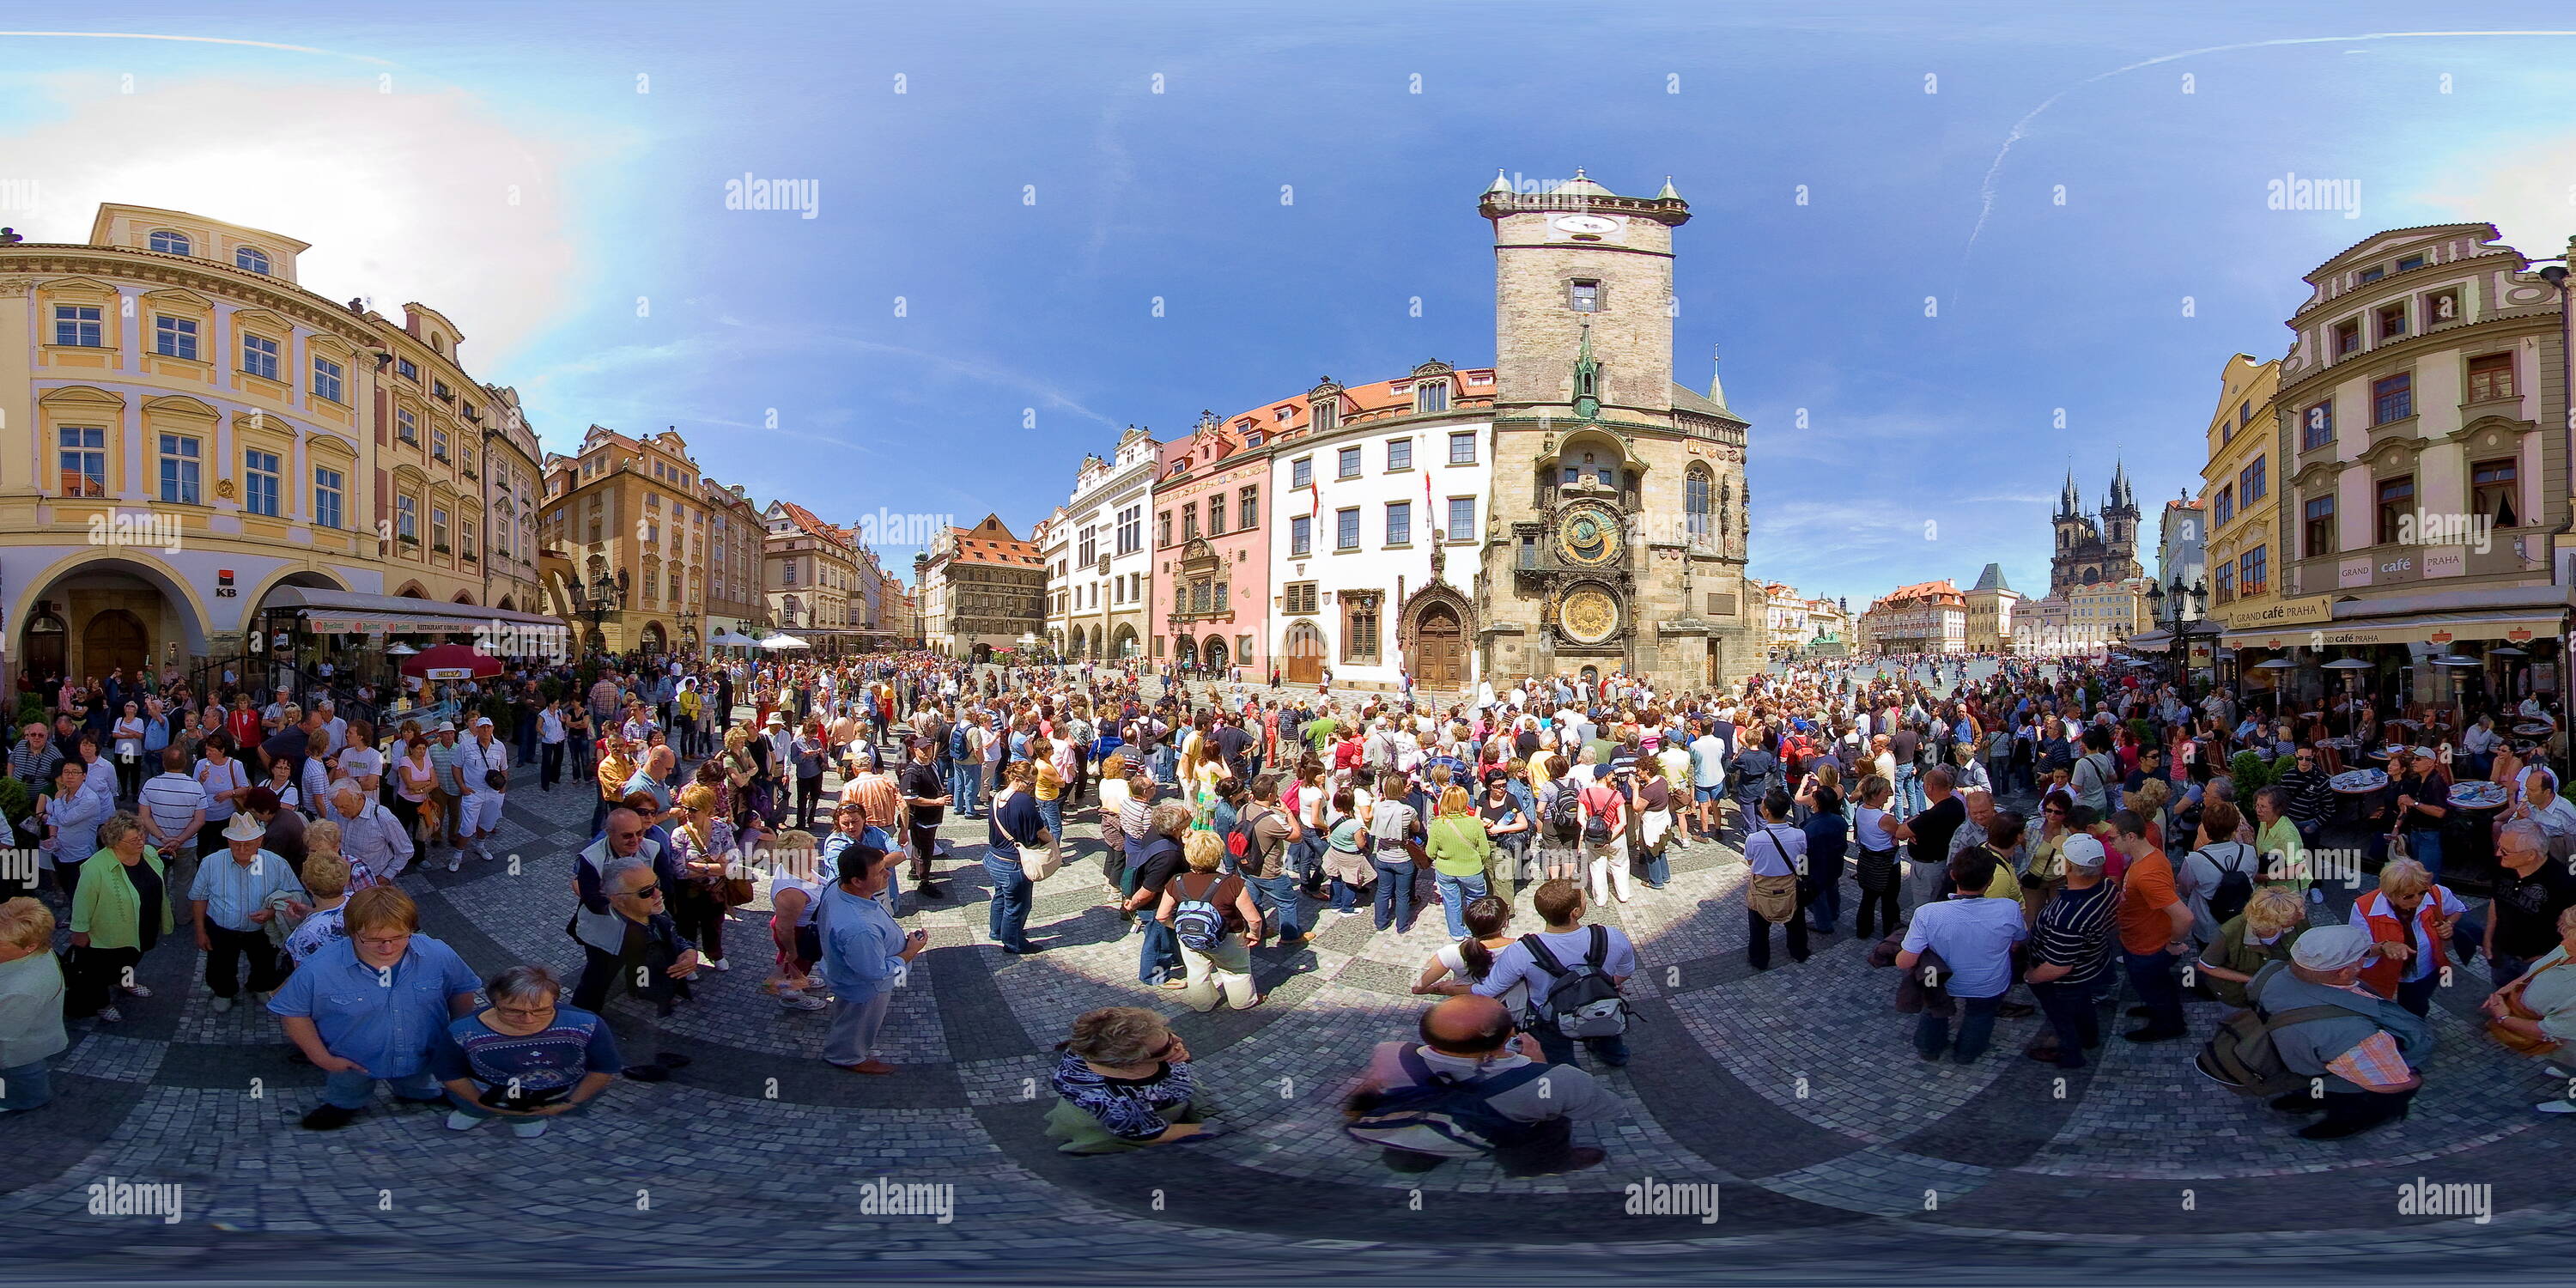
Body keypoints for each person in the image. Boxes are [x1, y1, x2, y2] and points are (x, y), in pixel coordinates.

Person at [270, 885, 480, 1130]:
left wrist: (458, 1039)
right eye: (373, 939)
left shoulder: (438, 954)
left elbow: (461, 989)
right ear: (351, 931)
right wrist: (323, 1059)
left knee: (418, 1080)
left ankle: (418, 1093)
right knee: (347, 1088)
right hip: (349, 1061)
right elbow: (295, 1014)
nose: (388, 948)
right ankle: (344, 1104)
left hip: (422, 1053)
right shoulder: (318, 969)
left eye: (399, 937)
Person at [1346, 993, 1619, 1177]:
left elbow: (1366, 1094)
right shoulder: (1559, 1079)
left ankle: (1415, 1159)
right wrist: (1539, 1066)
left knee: (1414, 1136)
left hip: (1418, 1129)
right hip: (1506, 1137)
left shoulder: (1391, 1052)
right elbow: (1607, 1107)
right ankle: (1540, 1165)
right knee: (1548, 1125)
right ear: (1509, 1036)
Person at [2251, 922, 2430, 1139]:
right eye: (2361, 956)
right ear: (2345, 972)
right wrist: (2413, 1081)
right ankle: (2341, 1127)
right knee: (2351, 1108)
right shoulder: (2354, 1035)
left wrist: (2381, 947)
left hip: (2296, 1055)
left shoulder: (2269, 973)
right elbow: (2389, 1082)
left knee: (2315, 1088)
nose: (2365, 958)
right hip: (2337, 1078)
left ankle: (2303, 1100)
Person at [435, 964, 619, 1139]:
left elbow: (603, 1068)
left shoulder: (588, 1024)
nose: (528, 1020)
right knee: (472, 1107)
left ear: (555, 1000)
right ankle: (474, 1111)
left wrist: (568, 1103)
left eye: (541, 1010)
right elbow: (450, 1073)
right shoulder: (461, 1031)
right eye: (513, 1011)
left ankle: (527, 1117)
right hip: (487, 1091)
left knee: (528, 1127)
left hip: (552, 1094)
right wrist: (477, 1102)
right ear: (494, 1002)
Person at [1473, 879, 1634, 1068]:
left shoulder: (1521, 951)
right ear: (1575, 912)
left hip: (1550, 1017)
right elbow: (1626, 970)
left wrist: (1449, 988)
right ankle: (1615, 1057)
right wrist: (1606, 984)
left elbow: (1489, 990)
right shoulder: (1612, 936)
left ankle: (1568, 1074)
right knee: (1607, 1035)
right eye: (1583, 898)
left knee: (1558, 1057)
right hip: (1600, 1005)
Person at [573, 854, 701, 1083]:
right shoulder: (619, 939)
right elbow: (625, 996)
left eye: (657, 884)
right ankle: (641, 1063)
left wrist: (689, 951)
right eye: (646, 892)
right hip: (637, 997)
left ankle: (650, 1055)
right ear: (617, 899)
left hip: (655, 991)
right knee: (639, 1024)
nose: (657, 894)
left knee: (648, 1022)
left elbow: (672, 933)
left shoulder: (648, 911)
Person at [1899, 848, 2028, 1065]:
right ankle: (1967, 1053)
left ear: (1953, 875)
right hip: (1988, 982)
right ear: (1991, 879)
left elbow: (1906, 961)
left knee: (1934, 1011)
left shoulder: (1928, 913)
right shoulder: (2009, 908)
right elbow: (2017, 942)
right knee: (1981, 1015)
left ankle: (1929, 1048)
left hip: (1941, 981)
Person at [1043, 1005, 1216, 1153]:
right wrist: (1217, 1129)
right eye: (1165, 1047)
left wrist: (1171, 1051)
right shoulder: (1118, 1102)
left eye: (1169, 1033)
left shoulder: (1094, 1047)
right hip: (1136, 1122)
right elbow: (1152, 1134)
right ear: (1130, 1062)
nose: (1179, 1041)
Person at [819, 837, 927, 1074]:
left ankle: (844, 1043)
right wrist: (910, 951)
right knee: (860, 1020)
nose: (888, 874)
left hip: (845, 976)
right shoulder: (859, 928)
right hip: (866, 988)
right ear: (857, 881)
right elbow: (873, 972)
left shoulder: (839, 886)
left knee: (847, 1014)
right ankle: (848, 1057)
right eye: (880, 872)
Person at [191, 811, 306, 1012]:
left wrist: (272, 911)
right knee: (220, 965)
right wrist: (200, 931)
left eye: (248, 844)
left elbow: (295, 892)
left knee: (265, 963)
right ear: (227, 840)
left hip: (262, 929)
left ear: (260, 840)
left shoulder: (276, 863)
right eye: (236, 844)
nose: (242, 849)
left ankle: (260, 987)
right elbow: (199, 897)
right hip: (222, 928)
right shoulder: (211, 863)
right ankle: (223, 992)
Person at [67, 813, 171, 1023]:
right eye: (134, 840)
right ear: (115, 842)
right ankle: (102, 1002)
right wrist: (79, 931)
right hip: (110, 931)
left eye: (142, 835)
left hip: (145, 923)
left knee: (133, 956)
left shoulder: (149, 853)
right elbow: (82, 902)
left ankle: (125, 981)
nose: (142, 841)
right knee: (99, 971)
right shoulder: (95, 868)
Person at [2023, 834, 2114, 1067]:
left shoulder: (2068, 916)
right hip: (2091, 965)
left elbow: (2059, 966)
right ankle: (2089, 1039)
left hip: (2063, 980)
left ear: (2070, 867)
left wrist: (2031, 976)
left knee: (2062, 1018)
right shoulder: (2107, 887)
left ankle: (2070, 1056)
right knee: (2083, 1005)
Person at [2459, 819, 2576, 992]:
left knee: (2526, 1004)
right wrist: (2488, 937)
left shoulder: (2562, 884)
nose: (2498, 854)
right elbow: (2496, 901)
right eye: (2499, 846)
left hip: (2535, 963)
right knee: (2498, 991)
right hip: (2502, 953)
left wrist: (2545, 960)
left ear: (2530, 855)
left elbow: (2571, 929)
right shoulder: (2504, 866)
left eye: (2505, 851)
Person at [2108, 807, 2191, 1042]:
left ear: (2131, 837)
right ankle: (2160, 1010)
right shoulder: (2149, 855)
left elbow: (2185, 917)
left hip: (2148, 945)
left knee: (2153, 986)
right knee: (2157, 985)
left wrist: (2174, 943)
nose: (2110, 842)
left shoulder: (2147, 874)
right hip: (2141, 938)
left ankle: (2168, 1024)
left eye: (2113, 838)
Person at [1157, 831, 1264, 1012]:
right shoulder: (1233, 883)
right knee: (1236, 971)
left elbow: (1161, 916)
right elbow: (1254, 919)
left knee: (1197, 973)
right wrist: (1254, 934)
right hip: (1229, 936)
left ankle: (1203, 1004)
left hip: (1190, 937)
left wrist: (1176, 928)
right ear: (1219, 855)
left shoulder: (1177, 882)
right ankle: (1242, 1002)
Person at [2348, 858, 2465, 1018]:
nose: (2418, 899)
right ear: (2389, 894)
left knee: (2416, 1009)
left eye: (2422, 892)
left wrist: (2449, 924)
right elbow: (2358, 950)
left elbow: (2457, 909)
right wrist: (2383, 947)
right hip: (2381, 977)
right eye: (2408, 896)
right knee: (2382, 1015)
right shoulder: (2364, 908)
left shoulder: (2437, 893)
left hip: (2425, 971)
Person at [0, 897, 69, 1114]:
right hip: (27, 1033)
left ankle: (27, 1101)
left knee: (24, 1074)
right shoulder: (35, 946)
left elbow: (5, 1032)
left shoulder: (24, 988)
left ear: (30, 946)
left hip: (19, 1046)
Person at [2195, 885, 2309, 1008]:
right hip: (2242, 996)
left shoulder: (2299, 920)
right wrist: (2254, 980)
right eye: (2295, 915)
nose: (2302, 915)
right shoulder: (2231, 933)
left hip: (2282, 990)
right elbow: (2206, 966)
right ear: (2273, 922)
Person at [1743, 789, 1811, 969]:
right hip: (1790, 885)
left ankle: (1759, 959)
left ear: (1766, 812)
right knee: (1796, 924)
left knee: (1758, 928)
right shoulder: (1799, 835)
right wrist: (1802, 875)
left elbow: (1750, 861)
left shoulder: (1754, 839)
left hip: (1762, 888)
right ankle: (1799, 951)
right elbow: (1802, 859)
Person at [986, 761, 1048, 955]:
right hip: (1013, 864)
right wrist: (1051, 841)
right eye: (1031, 784)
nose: (1032, 789)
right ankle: (1013, 942)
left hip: (994, 858)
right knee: (1018, 905)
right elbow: (1036, 832)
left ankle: (997, 931)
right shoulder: (1023, 801)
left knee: (1000, 897)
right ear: (1020, 781)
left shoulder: (997, 797)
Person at [1423, 784, 1492, 941]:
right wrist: (1475, 862)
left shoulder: (1437, 823)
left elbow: (1430, 852)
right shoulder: (1475, 823)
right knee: (1475, 901)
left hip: (1446, 870)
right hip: (1472, 870)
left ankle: (1456, 933)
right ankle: (1471, 930)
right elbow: (1485, 852)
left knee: (1451, 901)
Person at [896, 738, 951, 900]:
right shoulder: (913, 771)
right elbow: (909, 798)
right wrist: (936, 801)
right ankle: (924, 881)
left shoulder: (930, 764)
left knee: (922, 848)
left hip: (932, 817)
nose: (927, 751)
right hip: (922, 819)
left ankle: (916, 871)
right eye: (924, 749)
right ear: (915, 750)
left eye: (929, 748)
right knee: (925, 851)